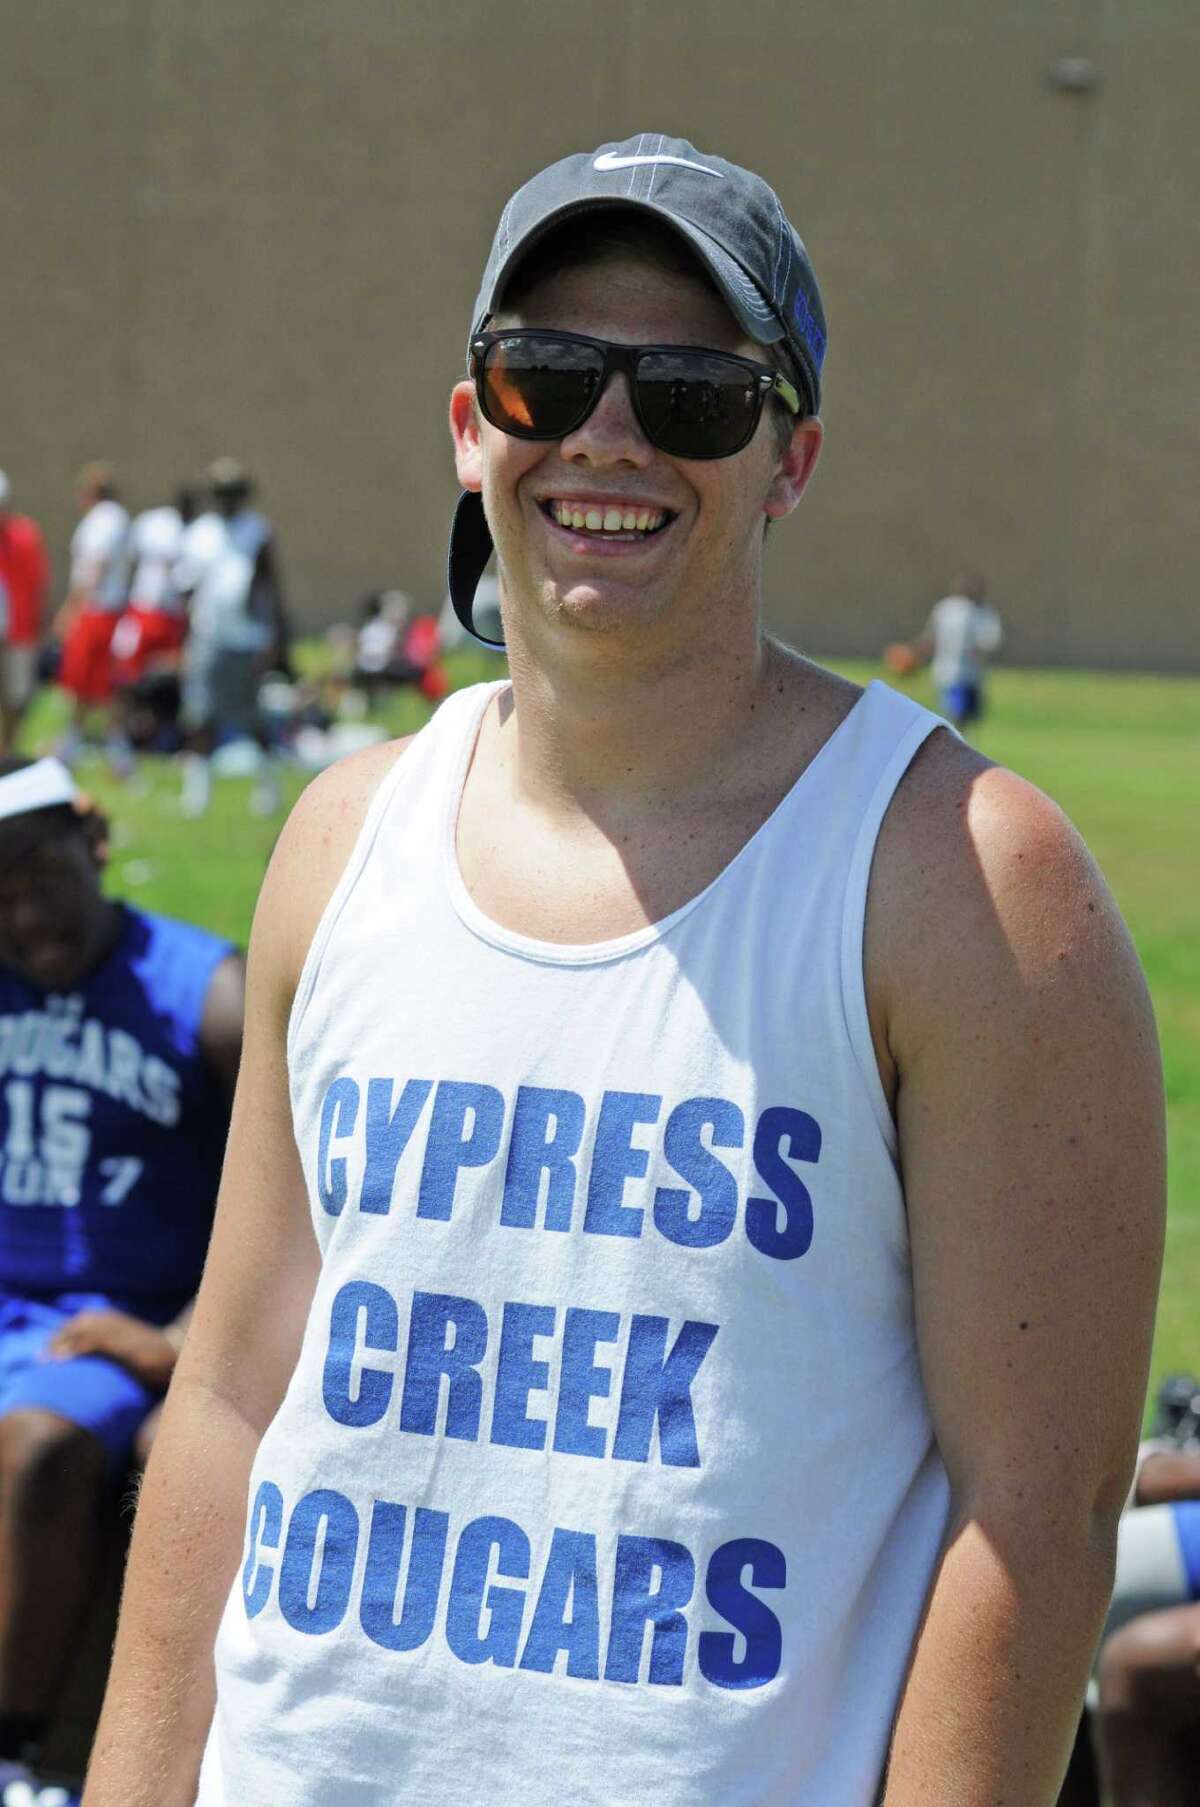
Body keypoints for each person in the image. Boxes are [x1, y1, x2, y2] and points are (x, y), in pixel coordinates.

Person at [85, 133, 1164, 1807]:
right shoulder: (342, 837)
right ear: (470, 425)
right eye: (548, 377)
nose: (607, 433)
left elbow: (1032, 1513)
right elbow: (230, 1396)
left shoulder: (964, 879)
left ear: (789, 459)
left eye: (690, 393)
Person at [0, 756, 243, 1805]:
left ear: (95, 844)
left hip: (111, 1323)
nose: (23, 909)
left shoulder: (207, 993)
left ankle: (17, 1756)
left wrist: (186, 1333)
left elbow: (295, 1200)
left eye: (43, 870)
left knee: (38, 1449)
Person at [175, 460, 290, 818]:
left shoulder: (256, 530)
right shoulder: (201, 533)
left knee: (253, 717)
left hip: (250, 638)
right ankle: (198, 789)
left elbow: (270, 586)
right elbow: (186, 583)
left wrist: (274, 636)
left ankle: (267, 787)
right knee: (201, 713)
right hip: (209, 634)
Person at [55, 467, 129, 764]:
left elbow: (95, 566)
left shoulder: (102, 520)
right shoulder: (119, 518)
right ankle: (79, 740)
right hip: (108, 609)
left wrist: (73, 607)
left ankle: (110, 745)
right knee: (94, 681)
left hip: (97, 609)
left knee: (90, 679)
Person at [887, 572, 1003, 734]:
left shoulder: (946, 609)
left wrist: (913, 651)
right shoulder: (978, 612)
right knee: (959, 721)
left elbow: (930, 640)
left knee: (955, 720)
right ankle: (959, 752)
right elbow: (989, 643)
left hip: (950, 673)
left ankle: (958, 749)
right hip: (965, 674)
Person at [0, 473, 51, 754]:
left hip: (18, 630)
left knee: (17, 696)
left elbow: (38, 583)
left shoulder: (24, 535)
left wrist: (40, 623)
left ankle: (8, 748)